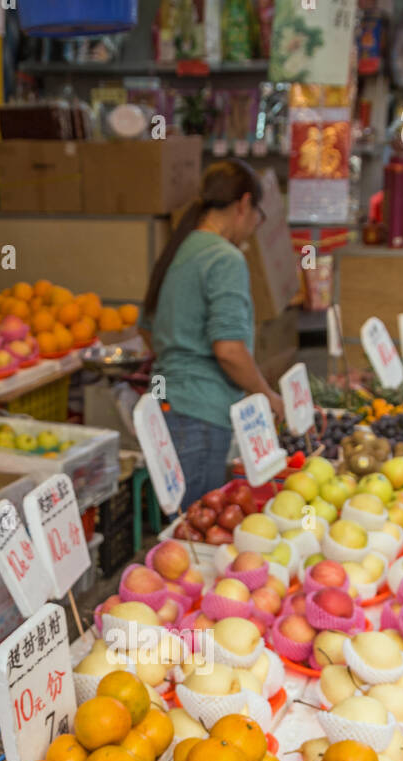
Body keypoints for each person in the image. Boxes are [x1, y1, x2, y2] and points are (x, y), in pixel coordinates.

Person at [141, 159, 285, 509]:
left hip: (167, 406)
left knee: (183, 528)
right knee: (197, 528)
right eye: (257, 217)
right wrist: (266, 393)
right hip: (200, 417)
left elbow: (145, 328)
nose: (253, 228)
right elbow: (229, 350)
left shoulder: (183, 247)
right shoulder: (225, 258)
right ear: (243, 205)